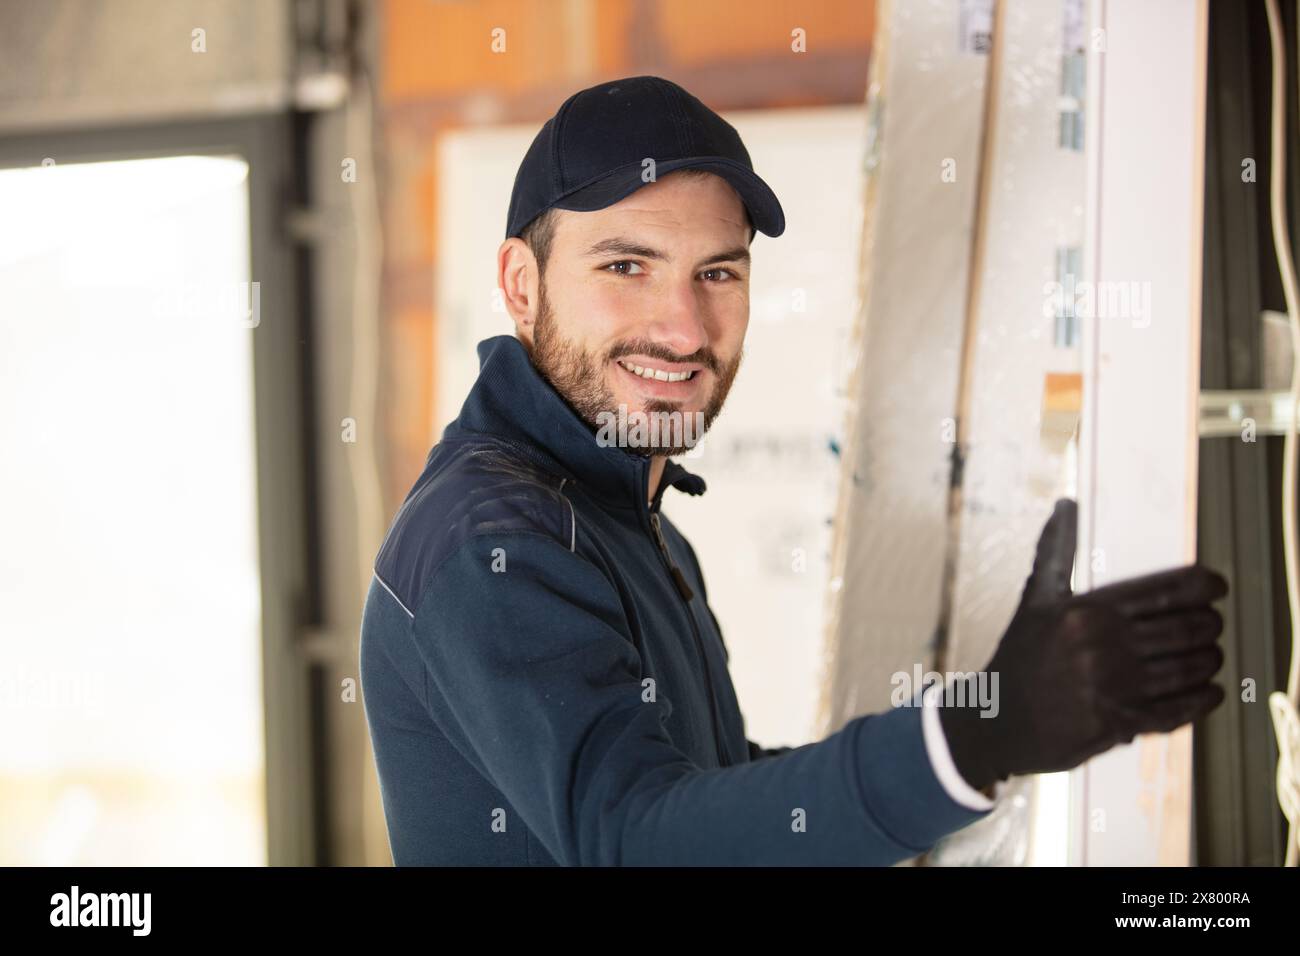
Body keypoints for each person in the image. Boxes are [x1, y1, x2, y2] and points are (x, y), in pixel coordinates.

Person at [359, 75, 1229, 866]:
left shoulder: (624, 519)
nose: (684, 328)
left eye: (717, 272)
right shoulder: (490, 539)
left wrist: (988, 725)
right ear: (521, 283)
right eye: (626, 266)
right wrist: (970, 741)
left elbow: (710, 787)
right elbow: (635, 836)